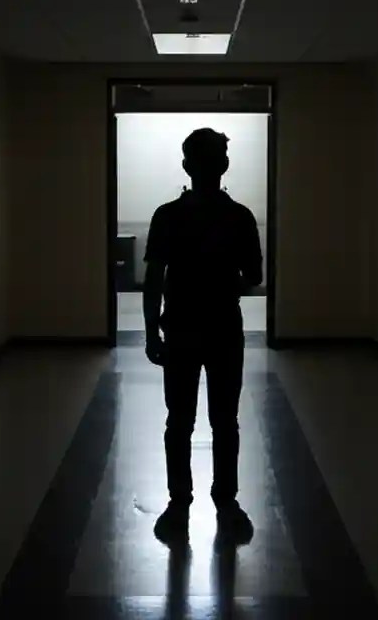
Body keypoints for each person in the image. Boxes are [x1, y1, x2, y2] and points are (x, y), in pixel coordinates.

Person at [143, 128, 262, 545]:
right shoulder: (241, 217)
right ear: (224, 166)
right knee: (224, 420)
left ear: (186, 166)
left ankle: (180, 500)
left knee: (179, 420)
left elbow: (153, 279)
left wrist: (149, 332)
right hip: (224, 330)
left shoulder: (166, 216)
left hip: (178, 329)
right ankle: (225, 499)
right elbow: (255, 277)